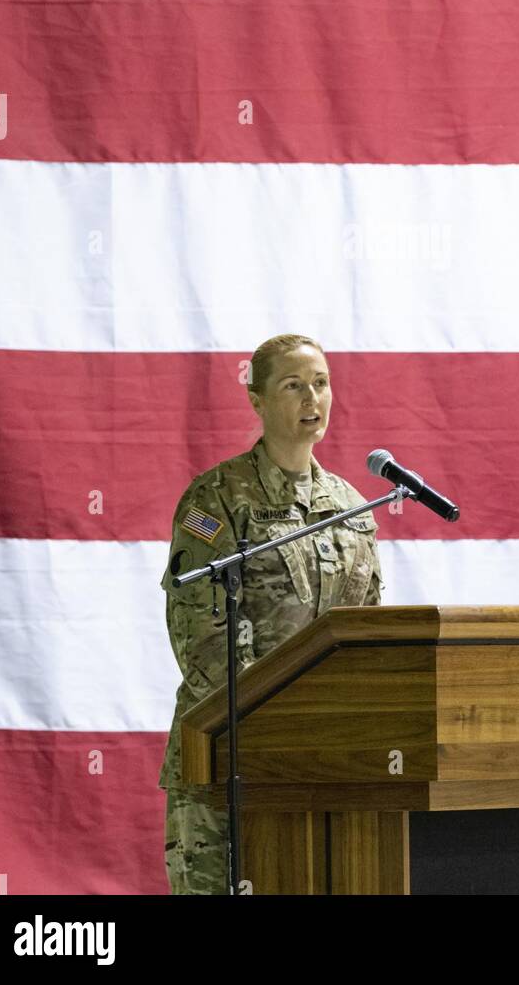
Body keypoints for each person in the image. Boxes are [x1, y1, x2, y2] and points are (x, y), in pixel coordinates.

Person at [158, 333, 385, 894]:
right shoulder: (215, 502)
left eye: (321, 383)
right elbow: (203, 641)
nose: (313, 397)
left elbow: (370, 631)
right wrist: (279, 725)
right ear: (257, 400)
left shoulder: (352, 507)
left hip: (324, 763)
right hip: (227, 758)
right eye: (293, 385)